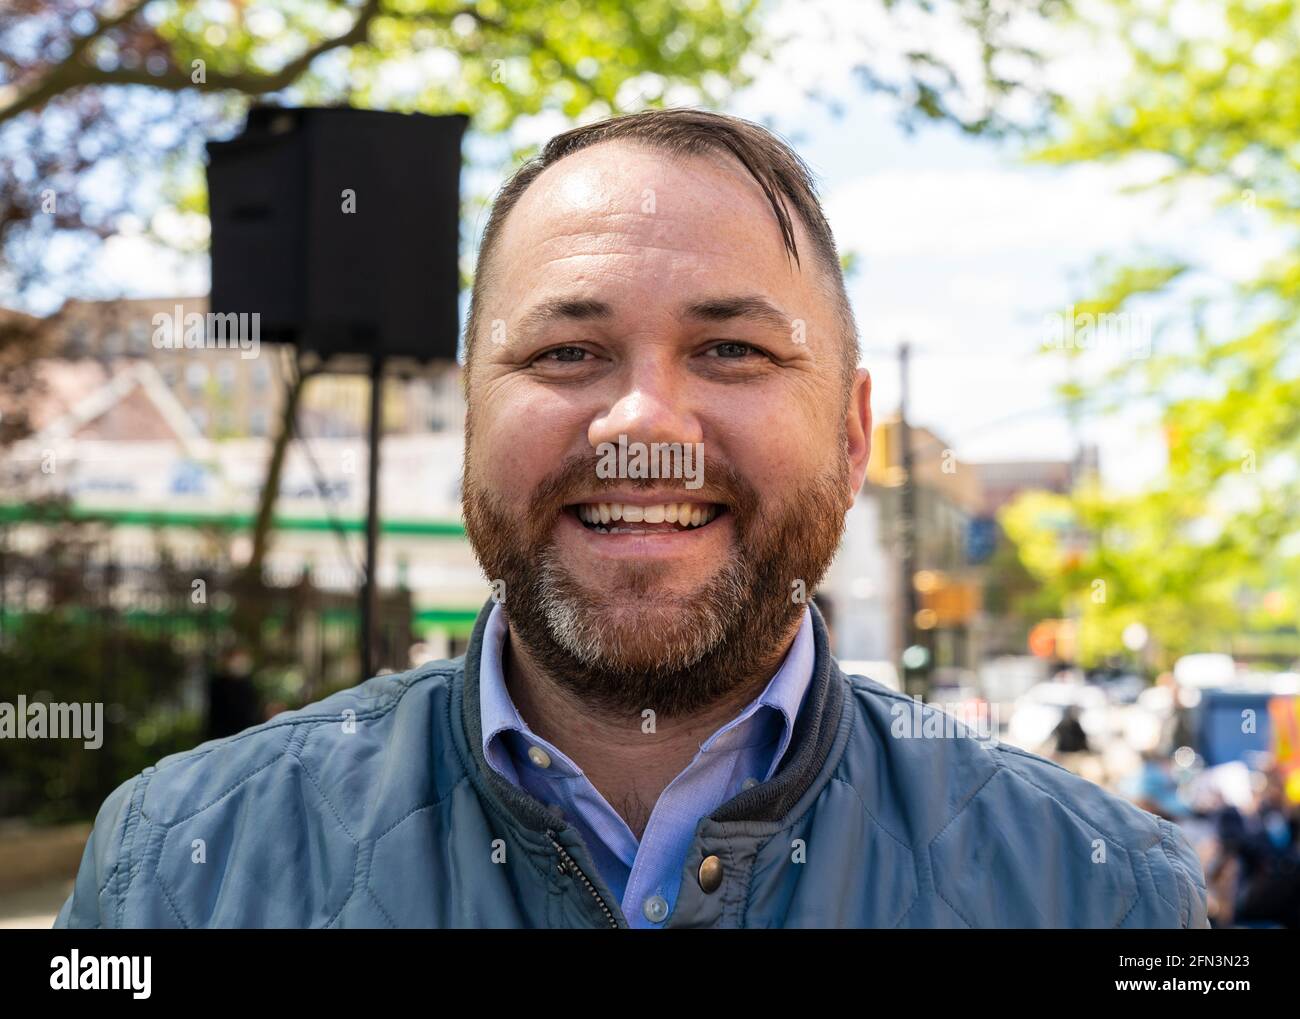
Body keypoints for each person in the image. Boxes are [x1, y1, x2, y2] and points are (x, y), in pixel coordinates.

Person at [56, 108, 1207, 928]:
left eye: (730, 349)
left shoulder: (1105, 891)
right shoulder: (172, 869)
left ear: (854, 436)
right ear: (471, 417)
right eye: (567, 351)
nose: (643, 421)